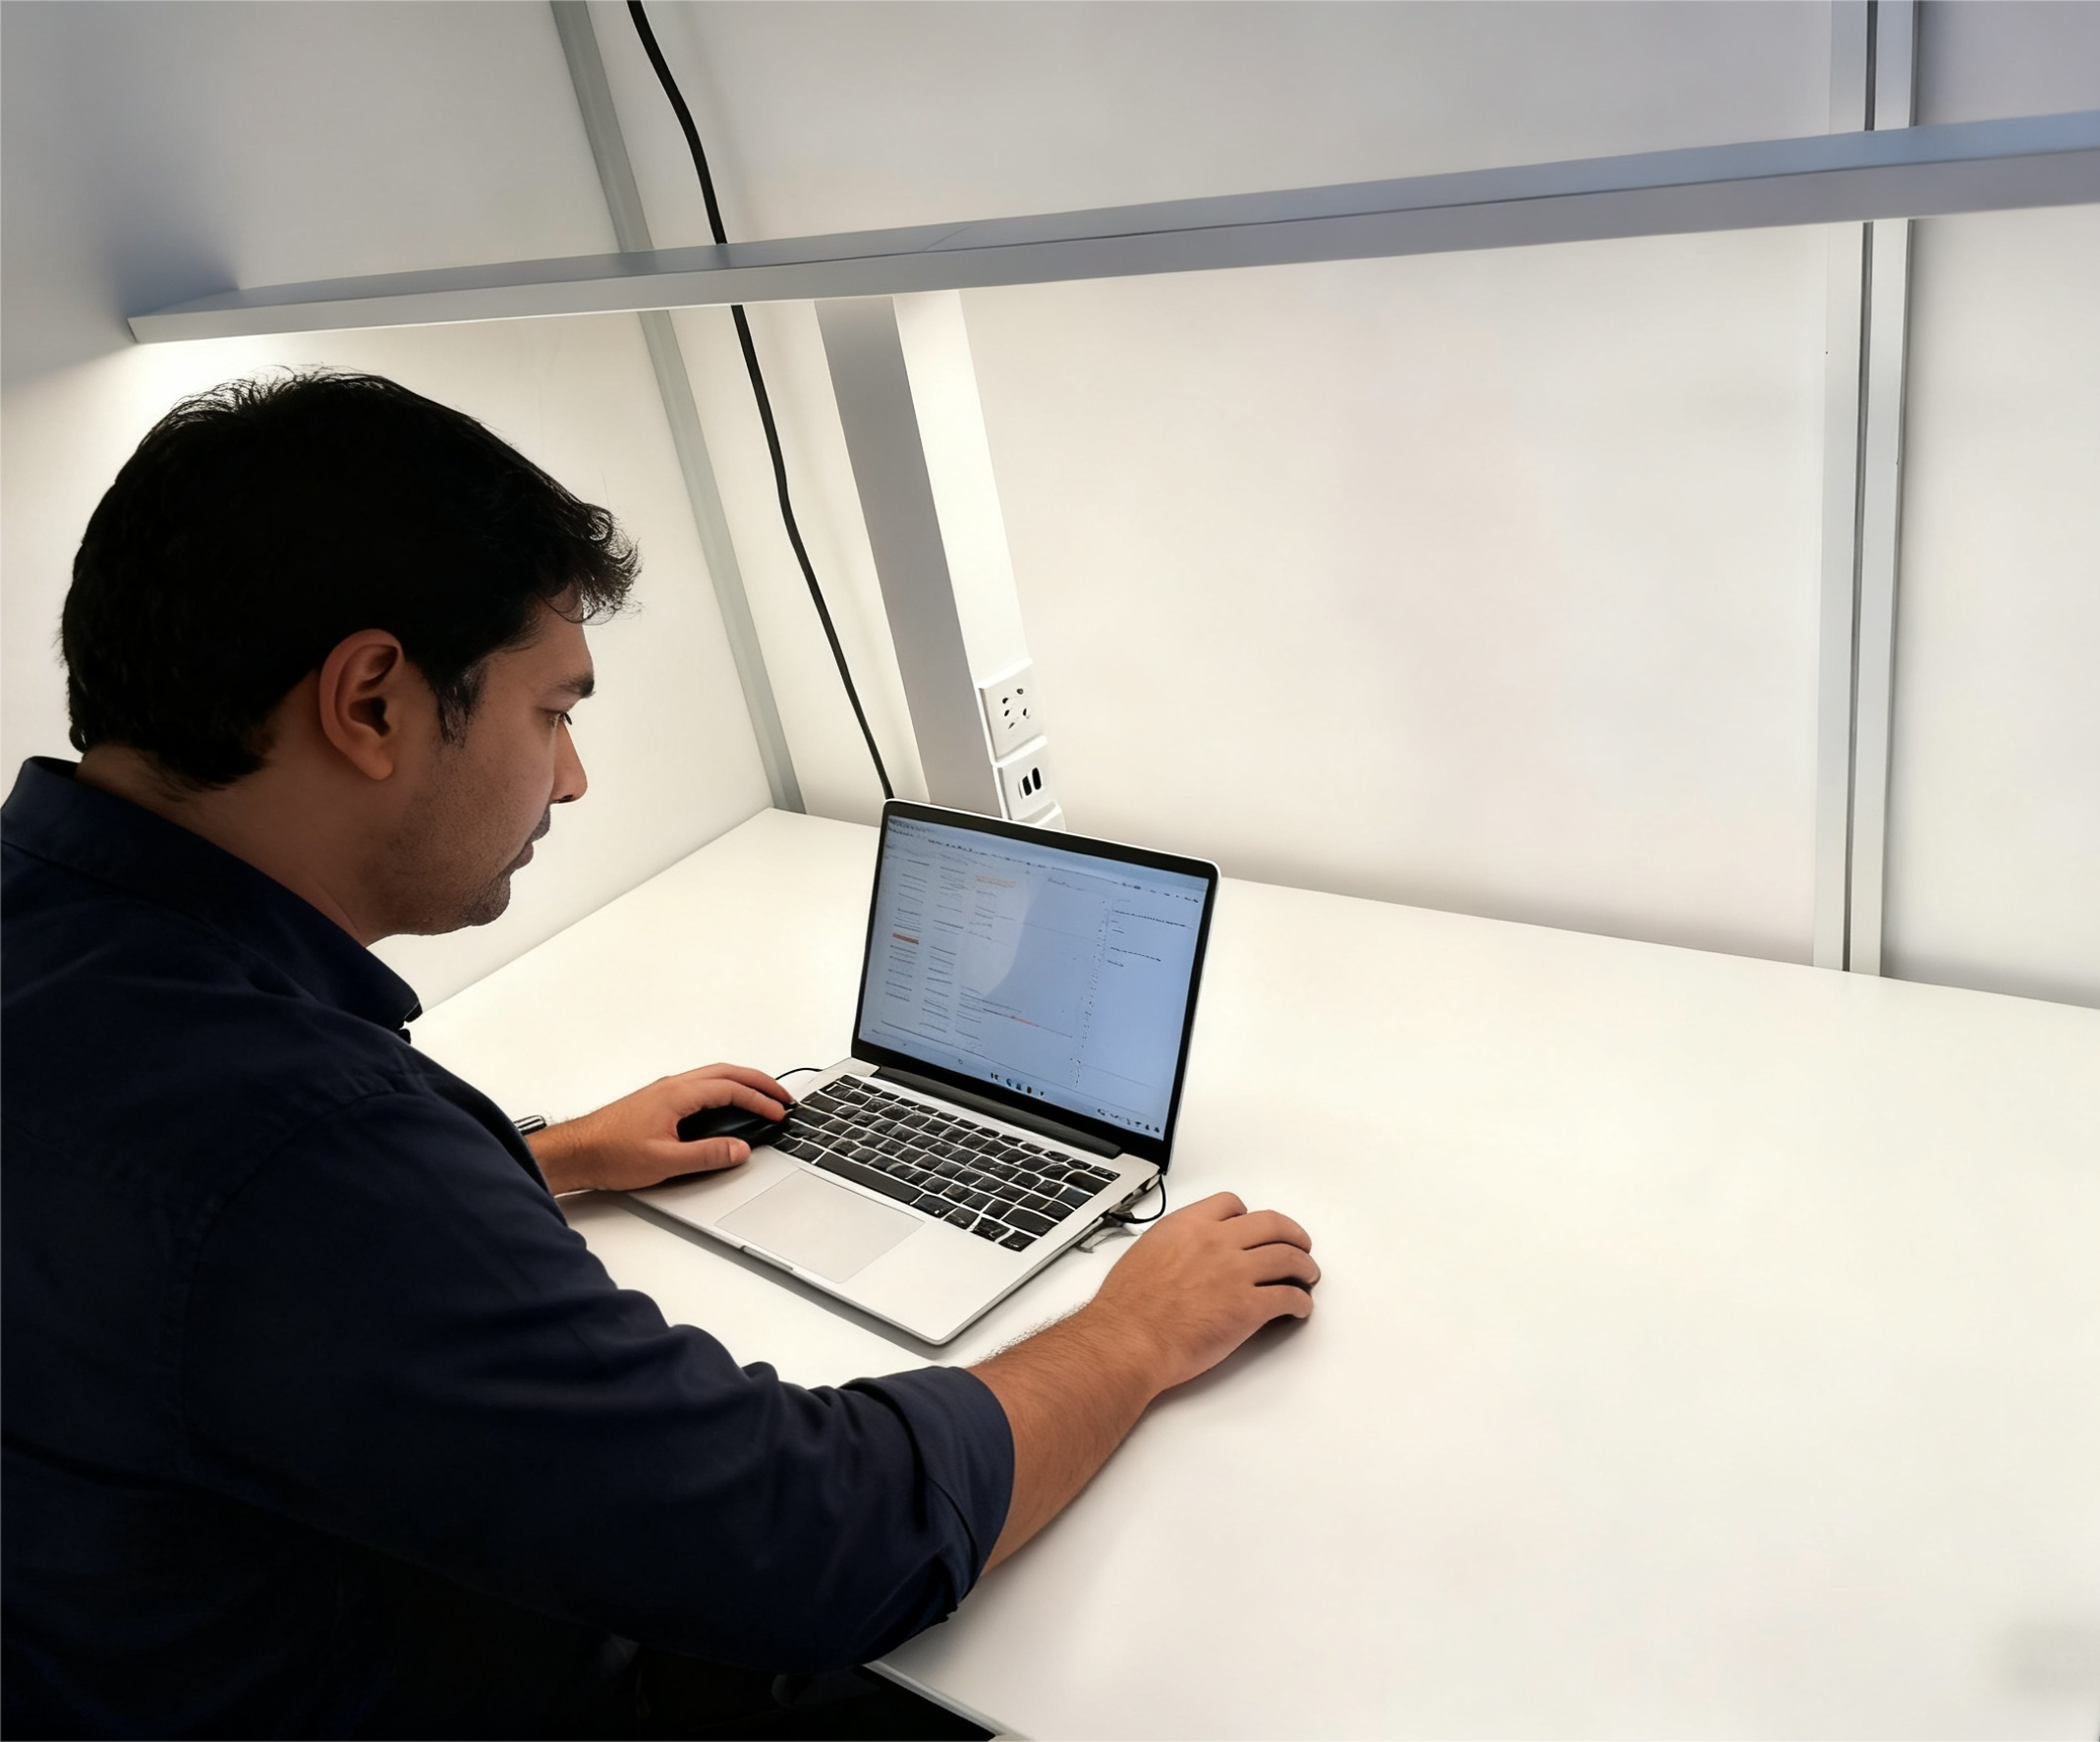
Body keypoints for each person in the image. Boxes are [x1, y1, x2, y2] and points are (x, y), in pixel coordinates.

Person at [0, 370, 1320, 1739]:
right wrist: (1131, 1332)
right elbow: (818, 1542)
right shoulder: (303, 1148)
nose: (570, 778)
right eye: (551, 713)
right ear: (373, 703)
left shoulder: (61, 949)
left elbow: (174, 1248)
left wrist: (550, 1156)